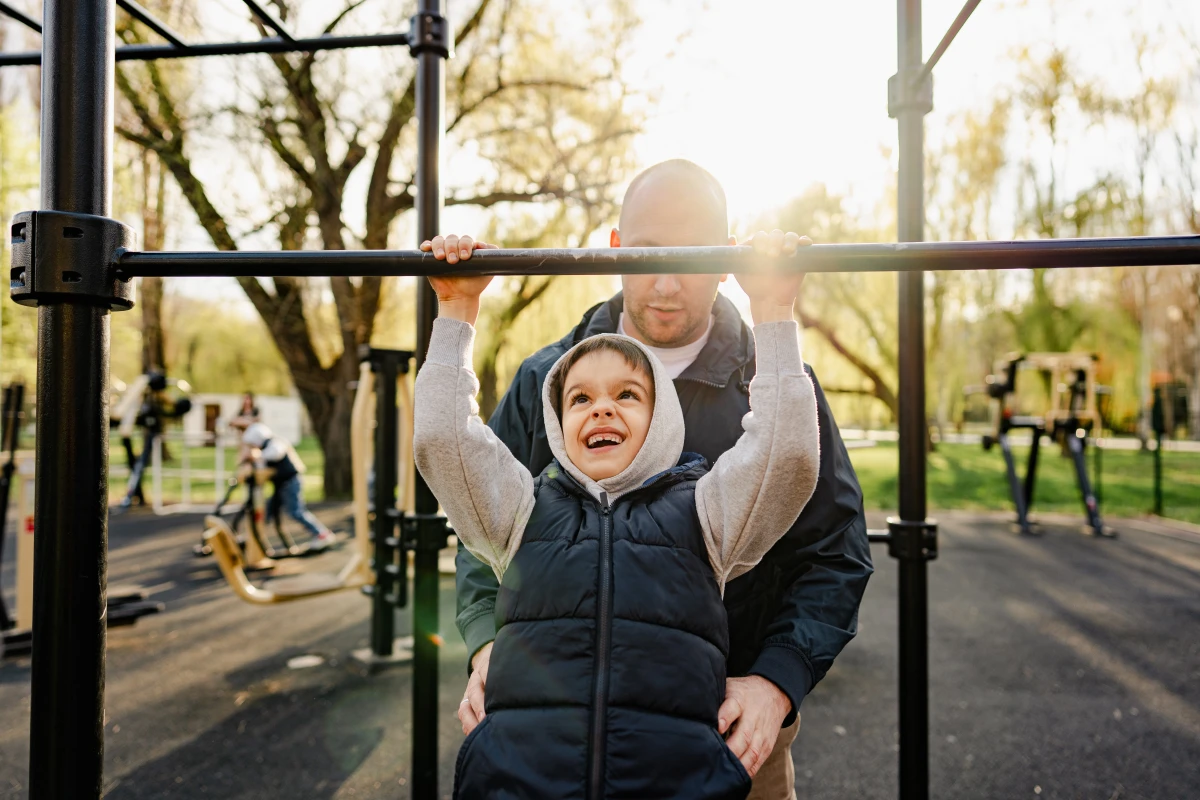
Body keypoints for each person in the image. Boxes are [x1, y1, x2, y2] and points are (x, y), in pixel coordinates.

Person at [428, 159, 873, 799]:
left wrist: (775, 682)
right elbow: (480, 533)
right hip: (553, 738)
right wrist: (485, 647)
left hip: (728, 729)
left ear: (725, 259)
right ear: (615, 250)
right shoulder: (547, 377)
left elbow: (833, 550)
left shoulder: (774, 382)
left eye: (690, 259)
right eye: (646, 255)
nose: (666, 283)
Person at [240, 422, 335, 551]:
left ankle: (321, 534)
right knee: (268, 511)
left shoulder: (276, 443)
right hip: (280, 484)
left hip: (290, 481)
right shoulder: (264, 449)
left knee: (295, 511)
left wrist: (257, 456)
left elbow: (276, 453)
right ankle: (256, 539)